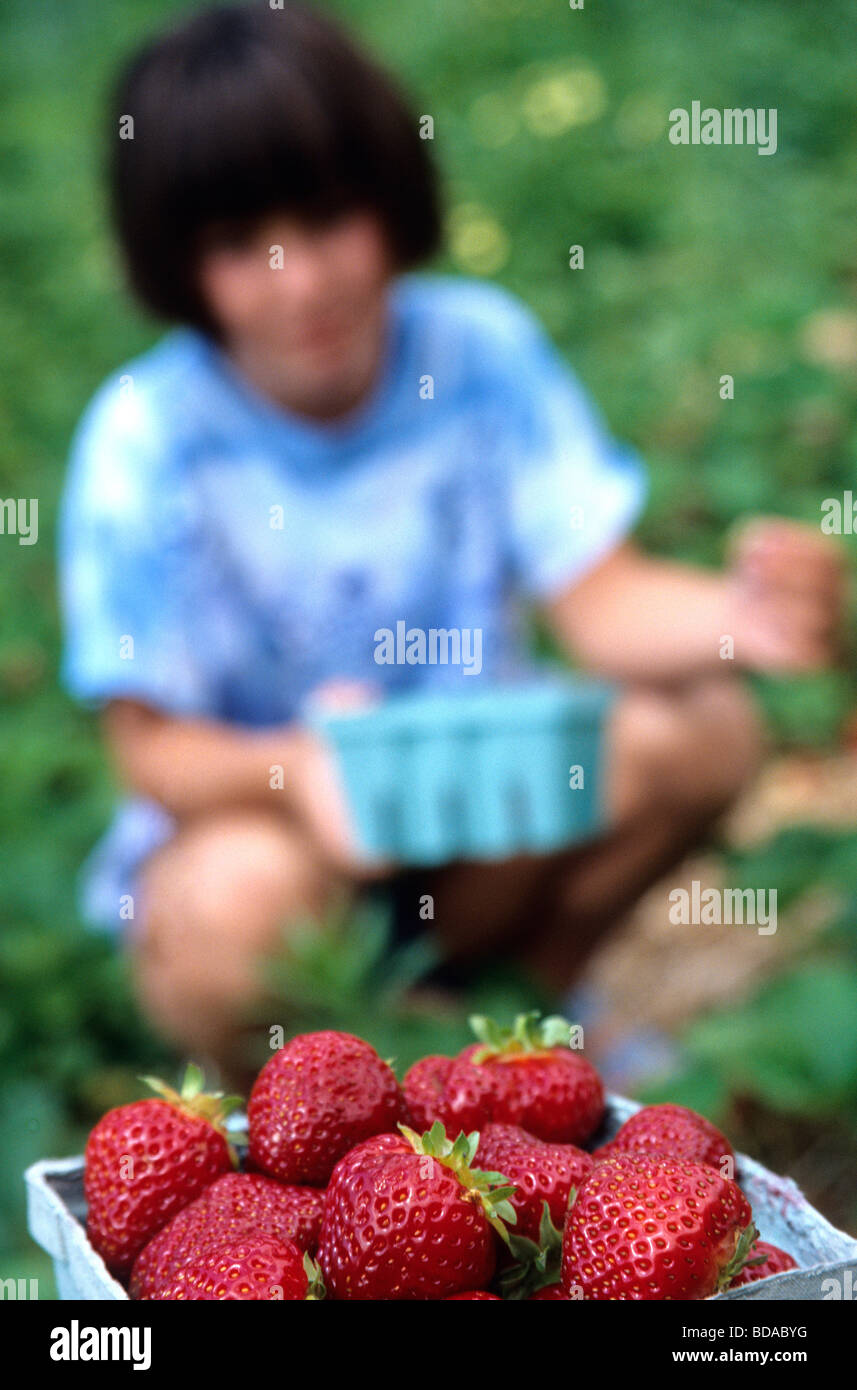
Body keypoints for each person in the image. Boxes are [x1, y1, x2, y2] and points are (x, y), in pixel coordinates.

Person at [58, 1, 844, 1076]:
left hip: (476, 810)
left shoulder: (476, 349)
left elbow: (600, 602)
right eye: (243, 244)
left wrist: (736, 616)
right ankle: (320, 1100)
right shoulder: (146, 436)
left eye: (328, 218)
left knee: (702, 723)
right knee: (237, 912)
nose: (303, 280)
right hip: (273, 842)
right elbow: (148, 746)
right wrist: (299, 769)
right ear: (179, 265)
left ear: (388, 198)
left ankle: (518, 1034)